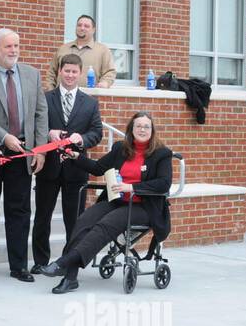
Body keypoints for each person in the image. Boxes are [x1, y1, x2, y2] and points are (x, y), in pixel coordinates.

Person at [39, 112, 173, 293]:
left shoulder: (161, 153)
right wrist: (75, 156)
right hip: (118, 200)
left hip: (144, 207)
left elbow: (164, 183)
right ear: (131, 129)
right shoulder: (121, 148)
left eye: (146, 126)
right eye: (138, 126)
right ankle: (70, 278)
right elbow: (97, 168)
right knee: (84, 220)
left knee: (106, 224)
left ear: (152, 130)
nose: (142, 129)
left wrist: (131, 188)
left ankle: (63, 262)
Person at [0, 28, 47, 282]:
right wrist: (4, 136)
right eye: (8, 46)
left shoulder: (31, 74)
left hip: (23, 153)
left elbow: (40, 114)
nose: (14, 50)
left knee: (19, 210)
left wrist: (38, 150)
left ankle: (19, 265)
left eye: (16, 45)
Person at [33, 53, 104, 273]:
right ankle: (40, 261)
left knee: (74, 220)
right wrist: (48, 133)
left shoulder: (90, 103)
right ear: (60, 72)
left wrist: (81, 139)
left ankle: (67, 262)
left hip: (76, 169)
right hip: (49, 168)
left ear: (80, 73)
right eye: (67, 71)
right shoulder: (45, 98)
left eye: (74, 72)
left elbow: (97, 132)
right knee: (42, 217)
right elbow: (36, 126)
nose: (70, 75)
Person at [46, 14, 116, 89]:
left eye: (86, 26)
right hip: (60, 97)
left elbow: (110, 72)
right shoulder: (63, 49)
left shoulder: (102, 50)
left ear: (93, 30)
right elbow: (51, 72)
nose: (82, 28)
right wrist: (50, 91)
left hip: (88, 97)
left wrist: (105, 82)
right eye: (79, 25)